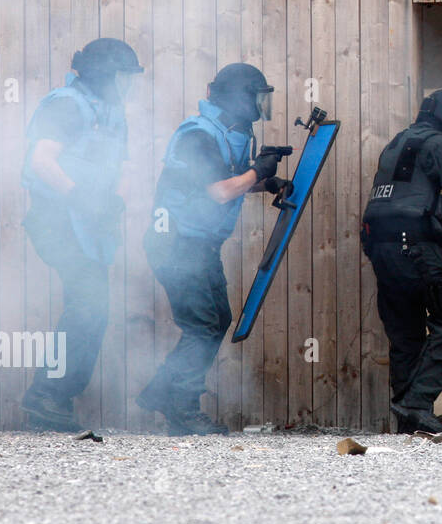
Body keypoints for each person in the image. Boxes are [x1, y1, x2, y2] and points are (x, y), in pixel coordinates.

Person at [137, 64, 290, 434]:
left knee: (216, 320)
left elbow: (220, 183)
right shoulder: (198, 136)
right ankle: (183, 408)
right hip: (176, 243)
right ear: (238, 98)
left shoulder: (224, 132)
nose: (259, 105)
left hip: (196, 243)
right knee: (202, 326)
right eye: (256, 97)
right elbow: (218, 191)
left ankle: (162, 392)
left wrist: (263, 183)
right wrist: (259, 172)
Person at [20, 38, 144, 432]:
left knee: (93, 307)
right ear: (106, 75)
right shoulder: (67, 104)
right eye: (124, 77)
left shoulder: (111, 112)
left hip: (88, 222)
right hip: (56, 217)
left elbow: (124, 168)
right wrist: (81, 197)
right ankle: (46, 395)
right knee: (88, 304)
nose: (128, 85)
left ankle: (54, 397)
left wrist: (115, 205)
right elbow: (40, 161)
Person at [361, 89, 442, 435]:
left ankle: (406, 417)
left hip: (382, 250)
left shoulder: (396, 143)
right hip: (419, 250)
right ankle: (417, 402)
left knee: (405, 335)